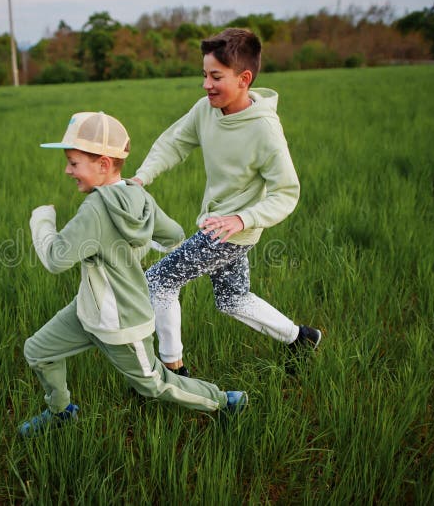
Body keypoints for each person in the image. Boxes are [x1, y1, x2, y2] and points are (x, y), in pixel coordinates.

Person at [19, 111, 247, 437]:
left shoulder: (94, 210)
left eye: (73, 162)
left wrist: (41, 219)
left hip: (122, 324)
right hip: (89, 311)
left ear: (102, 164)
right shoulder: (138, 194)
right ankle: (60, 412)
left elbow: (56, 260)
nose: (67, 170)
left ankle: (225, 402)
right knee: (38, 351)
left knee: (154, 384)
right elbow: (173, 235)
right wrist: (132, 248)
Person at [131, 28, 322, 377]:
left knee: (158, 280)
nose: (206, 84)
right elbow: (174, 142)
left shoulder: (265, 130)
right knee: (233, 299)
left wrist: (242, 219)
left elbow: (286, 192)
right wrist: (142, 177)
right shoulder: (206, 110)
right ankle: (302, 338)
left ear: (244, 78)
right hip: (217, 223)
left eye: (216, 76)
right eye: (204, 75)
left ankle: (174, 372)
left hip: (230, 231)